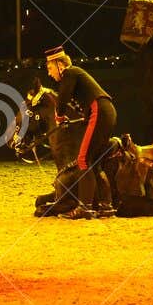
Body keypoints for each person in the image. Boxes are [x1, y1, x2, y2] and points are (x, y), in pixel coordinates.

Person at [43, 45, 116, 219]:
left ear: (60, 65)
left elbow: (62, 100)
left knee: (83, 160)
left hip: (99, 110)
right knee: (93, 162)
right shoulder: (75, 75)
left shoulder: (70, 72)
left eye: (50, 68)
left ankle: (85, 208)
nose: (49, 73)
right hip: (106, 111)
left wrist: (59, 116)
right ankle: (106, 206)